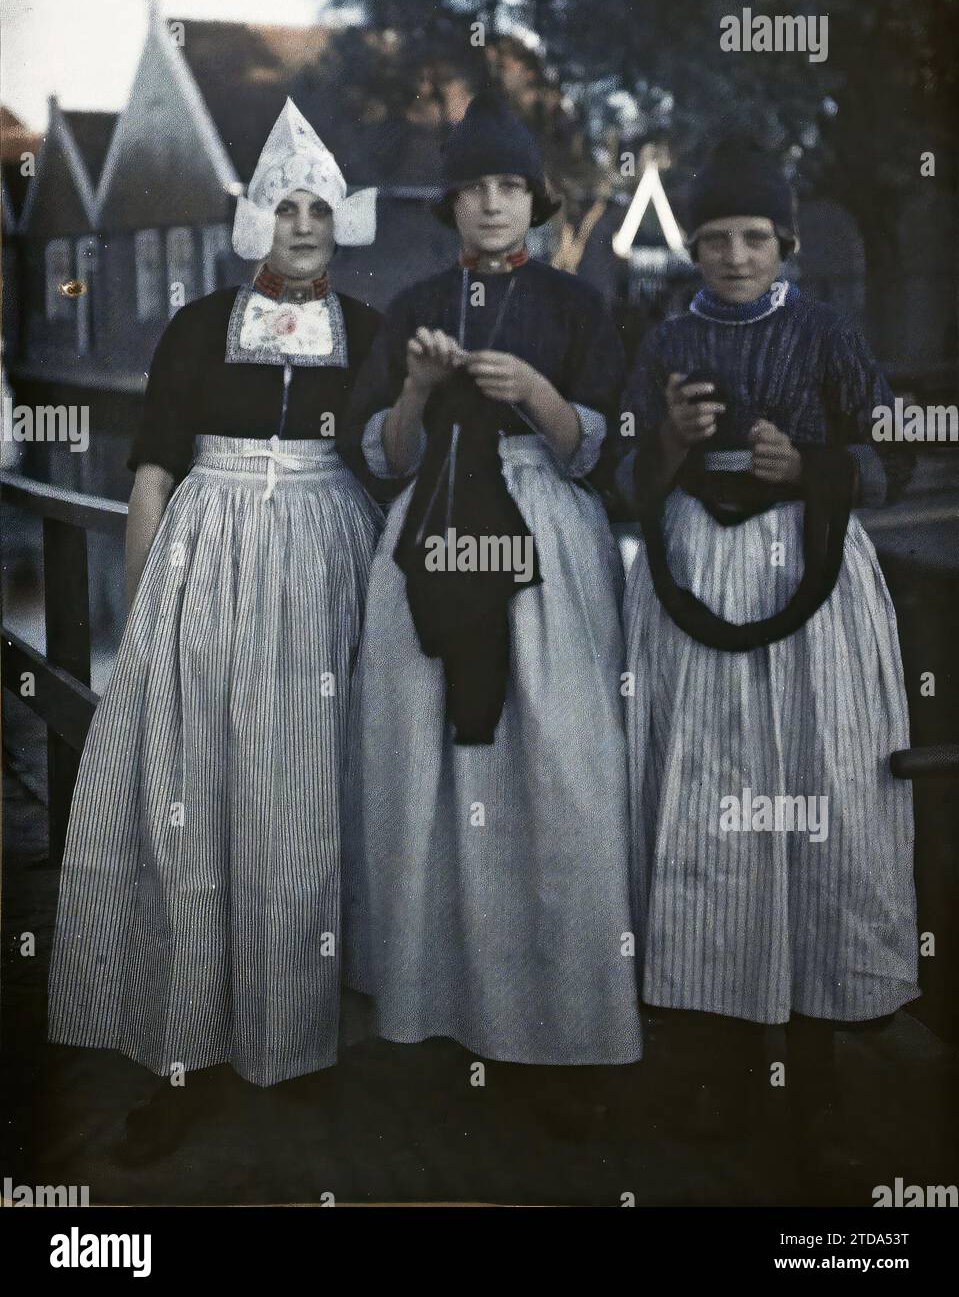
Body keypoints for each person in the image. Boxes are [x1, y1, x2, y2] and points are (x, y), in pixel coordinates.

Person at [47, 99, 382, 1164]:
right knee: (197, 801)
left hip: (328, 567)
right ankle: (182, 1049)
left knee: (304, 801)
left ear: (338, 224)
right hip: (208, 562)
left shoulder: (367, 334)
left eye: (317, 208)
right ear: (256, 224)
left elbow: (396, 465)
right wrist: (143, 619)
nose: (300, 224)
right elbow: (151, 473)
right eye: (283, 206)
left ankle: (295, 1046)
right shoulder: (197, 327)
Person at [618, 135, 919, 1163]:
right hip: (698, 577)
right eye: (713, 239)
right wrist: (663, 441)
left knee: (813, 796)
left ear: (784, 243)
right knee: (708, 807)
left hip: (809, 581)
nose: (734, 256)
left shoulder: (828, 332)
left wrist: (814, 464)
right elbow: (621, 477)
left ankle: (814, 1067)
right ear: (692, 248)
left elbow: (897, 463)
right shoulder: (663, 342)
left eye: (753, 236)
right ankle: (722, 1065)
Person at [341, 95, 643, 1111]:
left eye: (509, 187)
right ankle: (443, 1013)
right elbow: (380, 458)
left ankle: (558, 1030)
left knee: (554, 778)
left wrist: (542, 399)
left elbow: (612, 453)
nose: (491, 205)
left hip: (542, 549)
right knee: (427, 771)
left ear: (535, 200)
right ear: (451, 203)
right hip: (429, 535)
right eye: (473, 188)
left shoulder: (575, 306)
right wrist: (420, 392)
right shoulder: (410, 303)